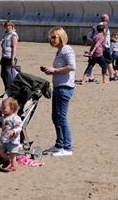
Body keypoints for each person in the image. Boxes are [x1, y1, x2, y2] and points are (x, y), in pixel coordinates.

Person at [42, 27, 76, 157]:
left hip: (65, 88)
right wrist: (50, 70)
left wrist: (55, 70)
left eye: (54, 37)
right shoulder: (59, 51)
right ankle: (59, 144)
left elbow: (72, 67)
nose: (52, 40)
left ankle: (67, 148)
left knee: (61, 117)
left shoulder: (67, 49)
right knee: (55, 117)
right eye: (51, 37)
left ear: (61, 36)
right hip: (58, 86)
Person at [0, 97, 23, 172]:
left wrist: (13, 131)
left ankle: (13, 166)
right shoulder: (4, 117)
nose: (2, 109)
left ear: (12, 108)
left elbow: (19, 128)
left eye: (4, 107)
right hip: (4, 139)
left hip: (13, 140)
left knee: (12, 154)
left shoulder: (15, 118)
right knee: (0, 151)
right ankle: (7, 159)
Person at [0, 20, 19, 90]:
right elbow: (3, 47)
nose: (8, 27)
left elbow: (14, 47)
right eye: (6, 26)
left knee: (9, 75)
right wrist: (1, 58)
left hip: (9, 57)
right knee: (3, 74)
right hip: (4, 56)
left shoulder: (13, 35)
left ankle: (9, 90)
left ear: (12, 26)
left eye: (9, 26)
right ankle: (6, 89)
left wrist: (13, 59)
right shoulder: (5, 35)